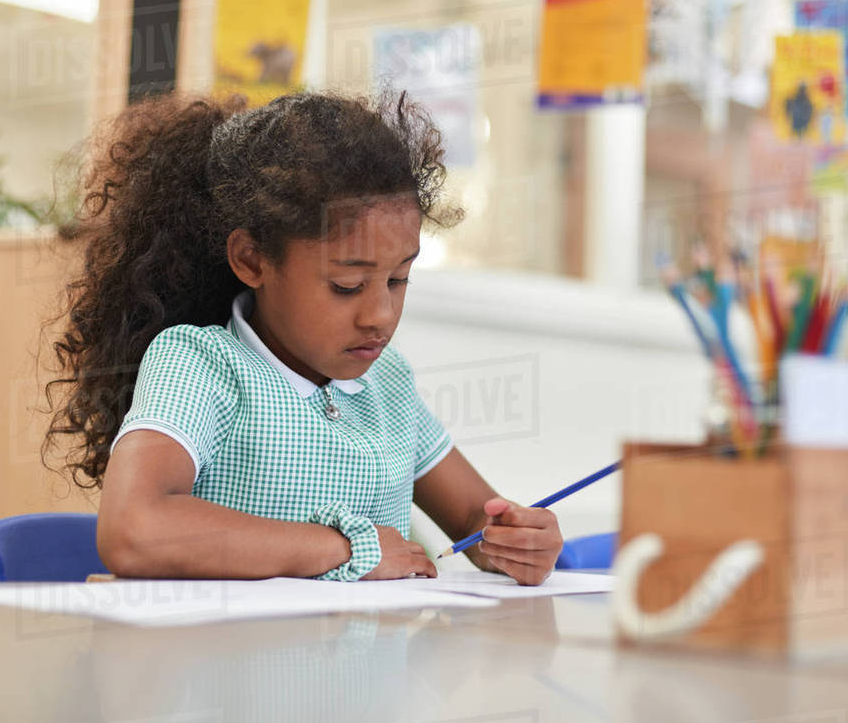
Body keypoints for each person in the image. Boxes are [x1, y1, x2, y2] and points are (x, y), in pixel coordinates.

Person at [43, 91, 562, 584]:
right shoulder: (204, 366)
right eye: (347, 285)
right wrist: (345, 549)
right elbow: (136, 529)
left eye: (398, 279)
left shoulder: (388, 383)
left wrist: (512, 541)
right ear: (252, 260)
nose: (380, 315)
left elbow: (476, 517)